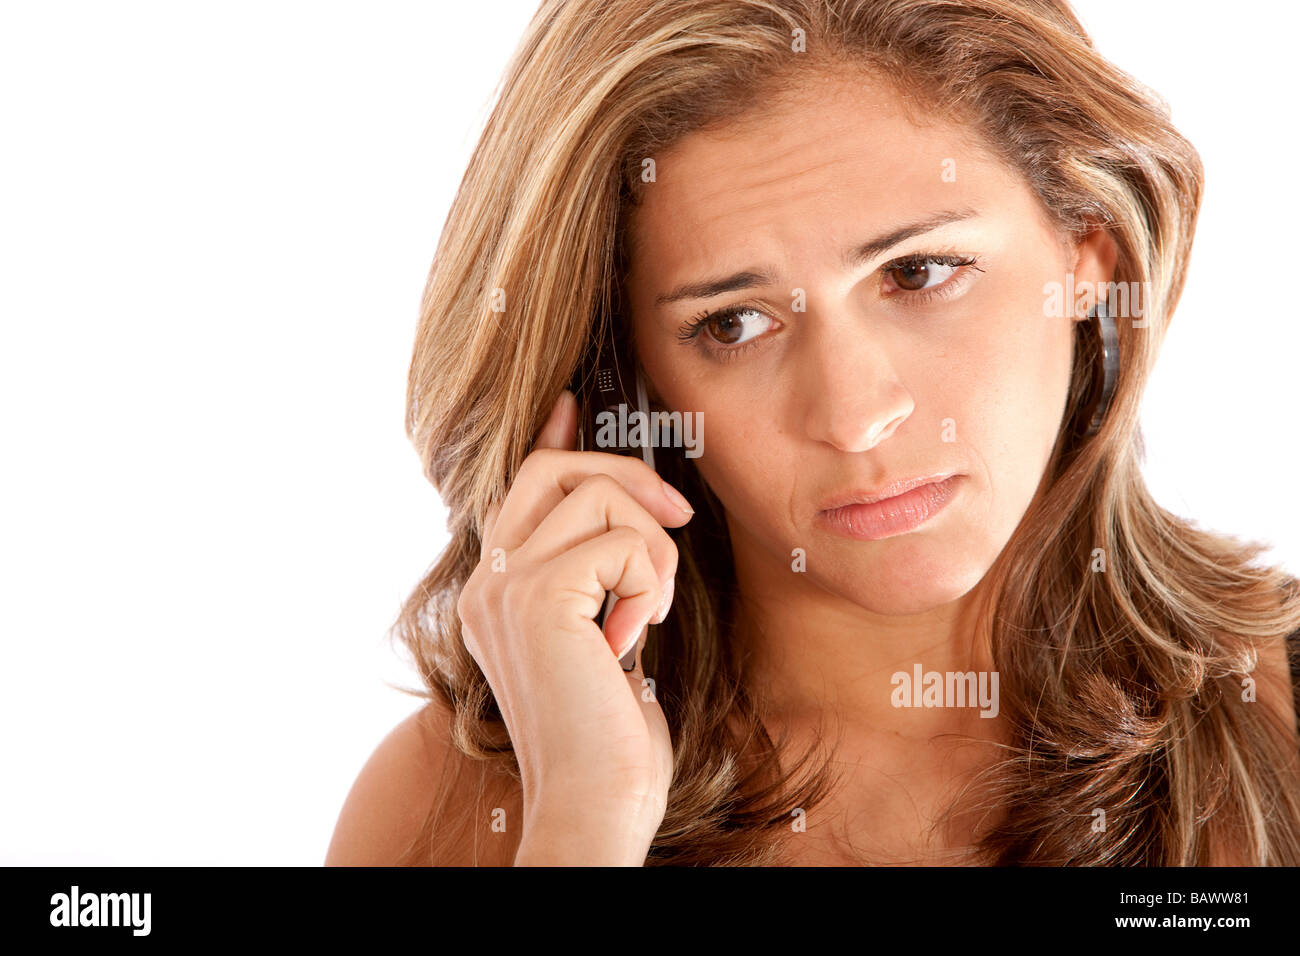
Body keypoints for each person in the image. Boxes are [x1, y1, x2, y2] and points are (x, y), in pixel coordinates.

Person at [326, 0, 1300, 866]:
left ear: (1088, 247)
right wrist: (583, 816)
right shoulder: (461, 808)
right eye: (734, 323)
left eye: (918, 273)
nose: (852, 415)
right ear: (627, 368)